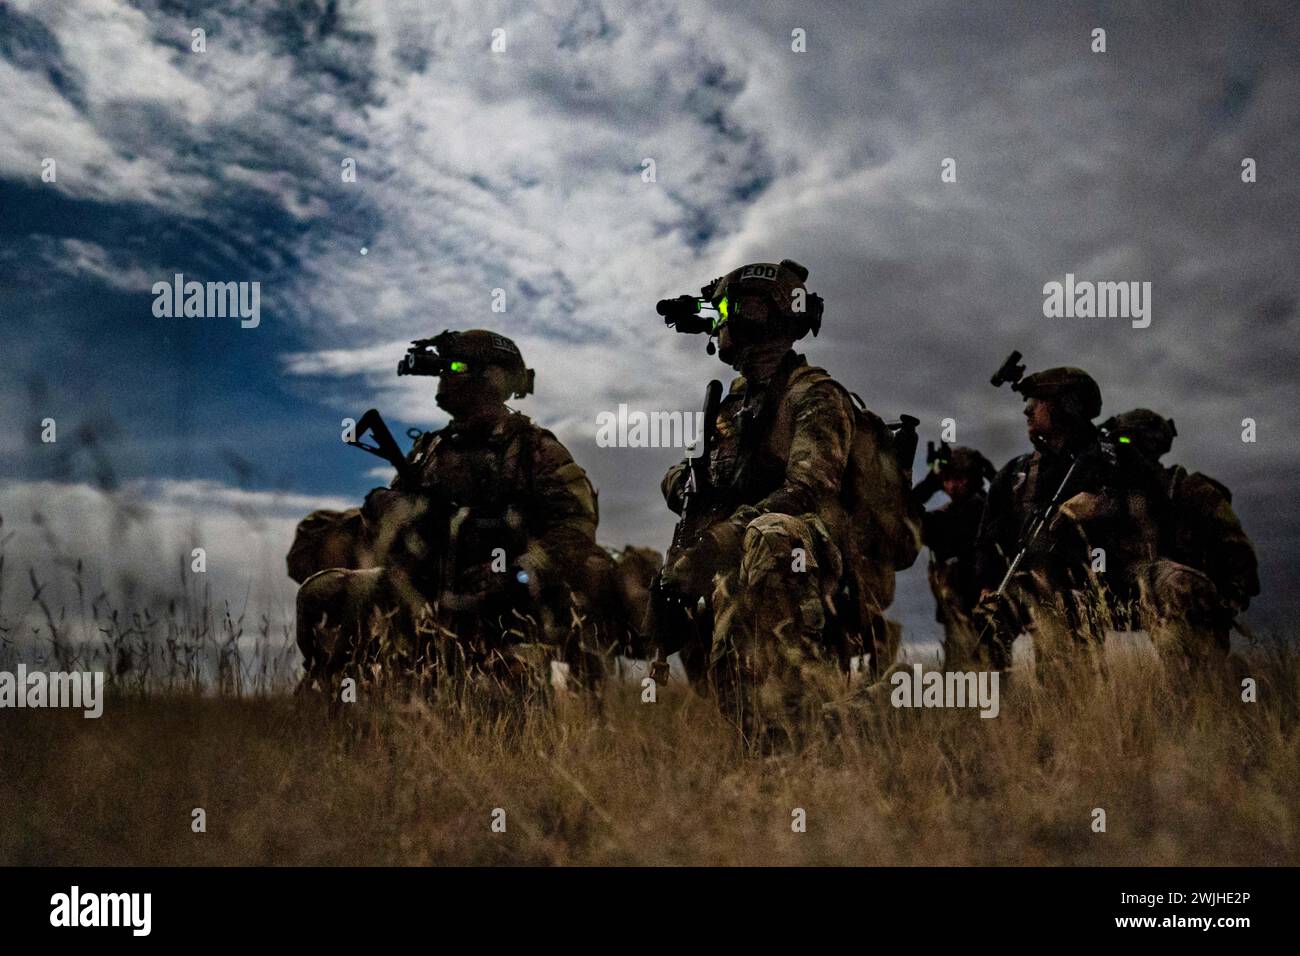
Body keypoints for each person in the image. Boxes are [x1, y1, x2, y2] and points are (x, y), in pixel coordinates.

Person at [657, 260, 918, 746]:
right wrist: (680, 484)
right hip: (749, 552)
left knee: (770, 533)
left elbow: (809, 491)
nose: (718, 324)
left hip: (819, 558)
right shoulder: (736, 402)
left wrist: (720, 539)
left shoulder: (816, 394)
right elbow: (718, 484)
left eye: (726, 311)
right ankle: (783, 731)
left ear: (759, 314)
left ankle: (820, 722)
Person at [292, 330, 609, 694]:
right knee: (322, 593)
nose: (445, 376)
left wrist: (509, 574)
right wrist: (385, 508)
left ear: (492, 378)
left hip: (505, 601)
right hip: (424, 587)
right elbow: (395, 527)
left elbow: (575, 528)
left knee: (494, 704)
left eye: (456, 367)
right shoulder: (430, 450)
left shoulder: (532, 449)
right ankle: (334, 697)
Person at [912, 444, 995, 667]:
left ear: (972, 479)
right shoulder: (971, 509)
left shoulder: (979, 510)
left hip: (980, 611)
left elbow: (910, 514)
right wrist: (932, 481)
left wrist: (929, 485)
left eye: (958, 479)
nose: (951, 485)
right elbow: (908, 516)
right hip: (957, 613)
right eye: (946, 479)